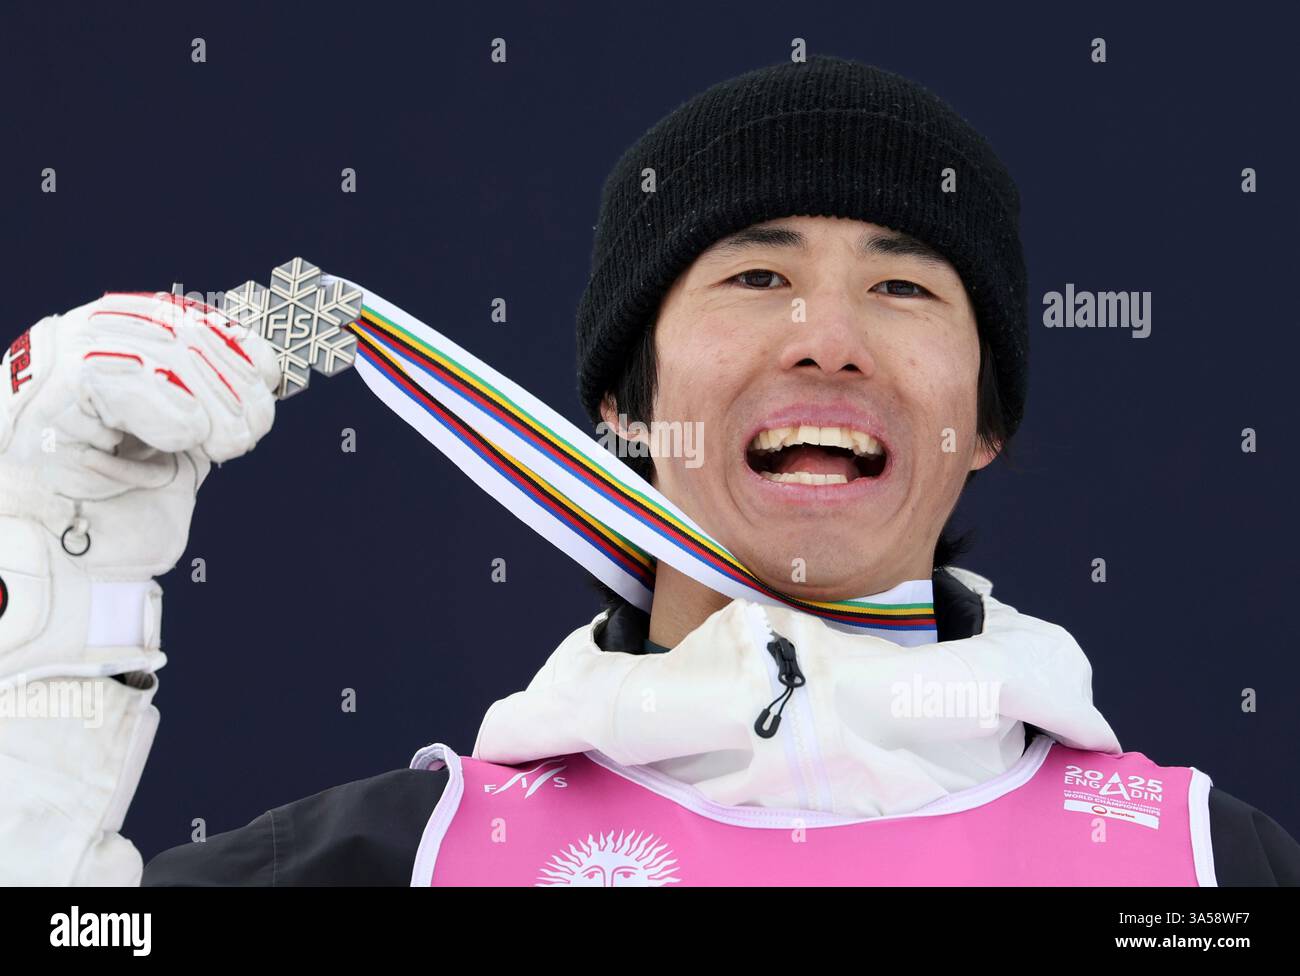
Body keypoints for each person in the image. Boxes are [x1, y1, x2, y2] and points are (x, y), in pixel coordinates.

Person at [1, 55, 1296, 886]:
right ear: (622, 401)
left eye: (902, 286)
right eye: (756, 276)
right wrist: (60, 586)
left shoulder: (1199, 874)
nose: (828, 340)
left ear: (983, 416)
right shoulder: (410, 861)